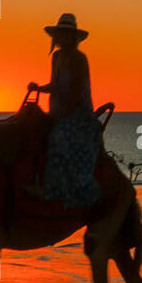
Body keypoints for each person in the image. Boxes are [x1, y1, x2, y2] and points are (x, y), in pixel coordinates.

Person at [28, 13, 101, 207]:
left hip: (78, 113)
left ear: (75, 38)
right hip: (58, 111)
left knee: (58, 137)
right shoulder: (57, 57)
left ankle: (60, 190)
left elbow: (76, 90)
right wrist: (39, 89)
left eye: (68, 35)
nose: (64, 38)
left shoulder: (79, 59)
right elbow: (55, 85)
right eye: (62, 34)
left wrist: (64, 114)